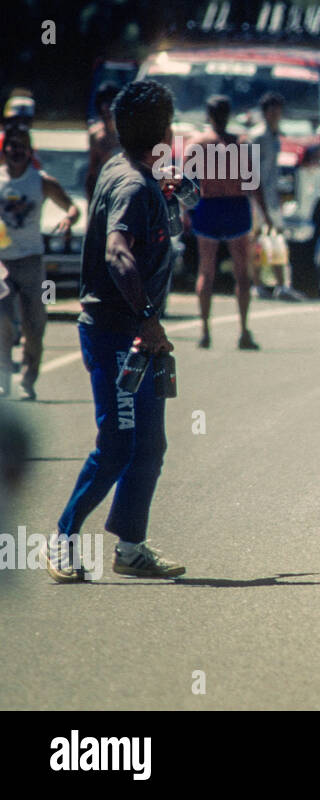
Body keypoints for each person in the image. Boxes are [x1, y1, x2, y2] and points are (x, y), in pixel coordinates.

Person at [47, 79, 185, 581]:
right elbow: (117, 253)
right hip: (116, 333)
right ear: (163, 131)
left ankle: (130, 548)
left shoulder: (128, 169)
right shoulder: (130, 184)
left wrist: (165, 193)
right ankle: (61, 537)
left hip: (137, 335)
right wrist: (148, 316)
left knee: (149, 445)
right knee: (118, 444)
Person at [0, 126, 79, 399]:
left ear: (30, 151)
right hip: (2, 261)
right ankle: (3, 377)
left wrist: (69, 219)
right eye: (12, 146)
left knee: (35, 324)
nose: (16, 151)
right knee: (3, 322)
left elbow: (71, 206)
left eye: (22, 146)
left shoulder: (42, 181)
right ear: (4, 149)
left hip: (32, 261)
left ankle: (28, 379)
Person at [191, 95, 268, 350]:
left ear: (209, 115)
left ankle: (205, 330)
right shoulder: (240, 143)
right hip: (234, 206)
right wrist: (265, 214)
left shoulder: (198, 143)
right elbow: (253, 183)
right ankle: (243, 330)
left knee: (207, 271)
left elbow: (184, 181)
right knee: (241, 273)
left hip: (209, 206)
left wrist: (183, 209)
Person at [246, 91, 304, 302]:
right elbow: (252, 172)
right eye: (272, 110)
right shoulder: (258, 136)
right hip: (257, 198)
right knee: (259, 241)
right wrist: (259, 202)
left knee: (275, 239)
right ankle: (260, 284)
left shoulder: (274, 135)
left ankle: (280, 284)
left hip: (271, 196)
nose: (276, 114)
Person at [85, 83, 122, 207]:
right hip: (105, 190)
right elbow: (92, 172)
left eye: (111, 102)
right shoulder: (95, 135)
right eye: (104, 102)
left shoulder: (128, 133)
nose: (107, 107)